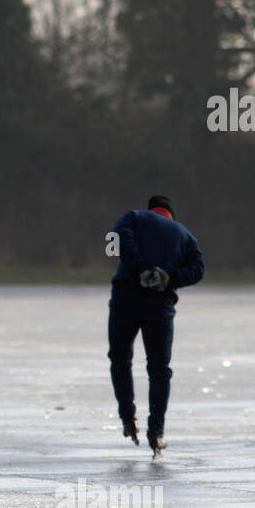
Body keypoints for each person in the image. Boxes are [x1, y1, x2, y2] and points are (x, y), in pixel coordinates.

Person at [108, 194, 206, 457]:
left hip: (126, 298)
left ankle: (128, 418)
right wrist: (168, 277)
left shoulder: (134, 217)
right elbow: (198, 269)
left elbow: (115, 240)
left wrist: (139, 267)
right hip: (160, 306)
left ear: (152, 209)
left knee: (120, 358)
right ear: (171, 215)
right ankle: (157, 431)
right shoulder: (185, 235)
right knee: (159, 369)